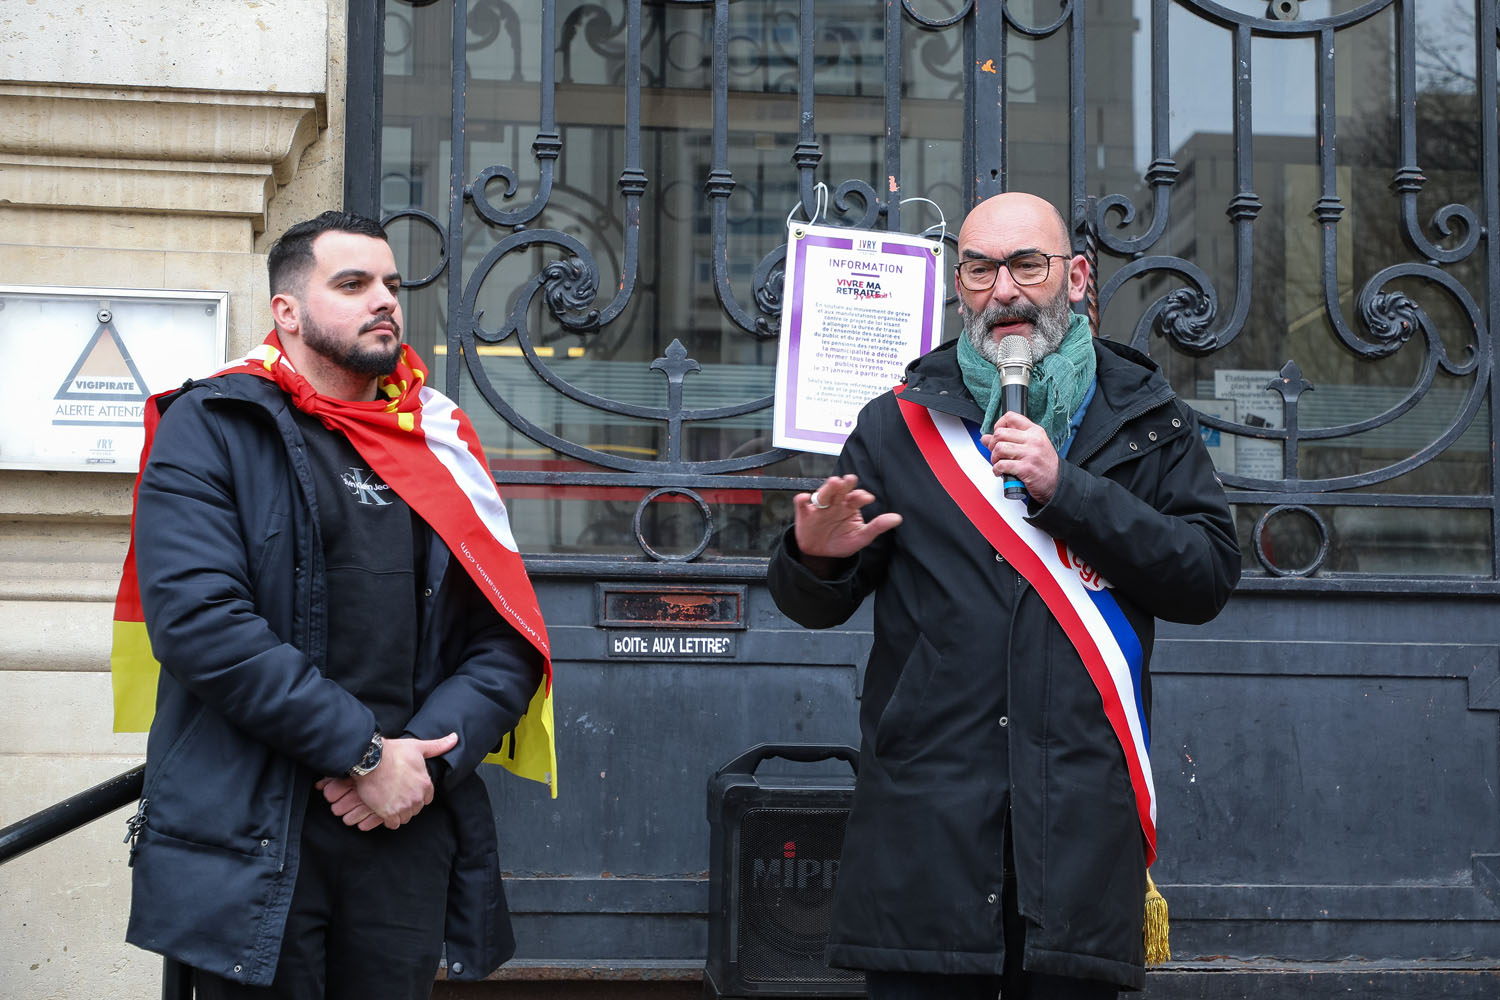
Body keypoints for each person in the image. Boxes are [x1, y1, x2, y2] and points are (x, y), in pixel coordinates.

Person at [767, 192, 1240, 998]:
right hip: (930, 826)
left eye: (1027, 264)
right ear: (961, 287)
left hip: (1081, 825)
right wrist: (814, 559)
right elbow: (817, 604)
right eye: (980, 270)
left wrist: (1071, 491)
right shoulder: (899, 423)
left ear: (1078, 277)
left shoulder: (1149, 421)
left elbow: (1204, 578)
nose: (1005, 292)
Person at [113, 211, 553, 998]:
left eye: (391, 283)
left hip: (402, 831)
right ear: (286, 310)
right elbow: (201, 623)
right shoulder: (211, 424)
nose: (383, 299)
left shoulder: (440, 438)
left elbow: (509, 638)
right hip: (249, 834)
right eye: (351, 284)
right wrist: (366, 754)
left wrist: (425, 761)